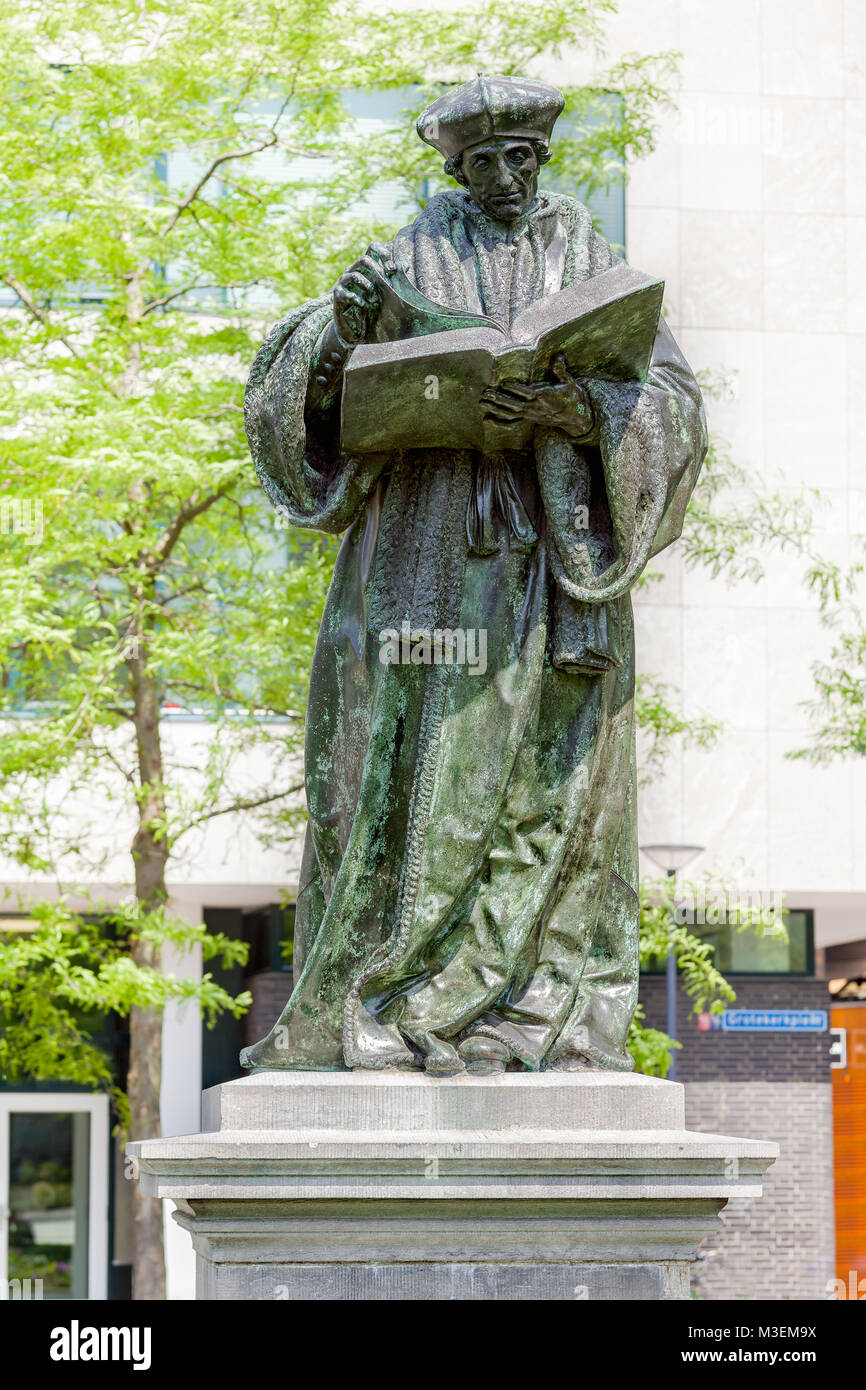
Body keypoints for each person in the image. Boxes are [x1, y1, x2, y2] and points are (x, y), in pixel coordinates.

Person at [242, 74, 707, 1075]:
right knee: (402, 777)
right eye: (482, 161)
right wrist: (336, 330)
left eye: (522, 159)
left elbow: (667, 405)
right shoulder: (402, 259)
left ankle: (523, 1007)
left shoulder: (591, 263)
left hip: (545, 578)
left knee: (541, 790)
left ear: (543, 161)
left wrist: (565, 412)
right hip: (424, 568)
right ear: (453, 168)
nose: (504, 177)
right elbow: (288, 400)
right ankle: (397, 995)